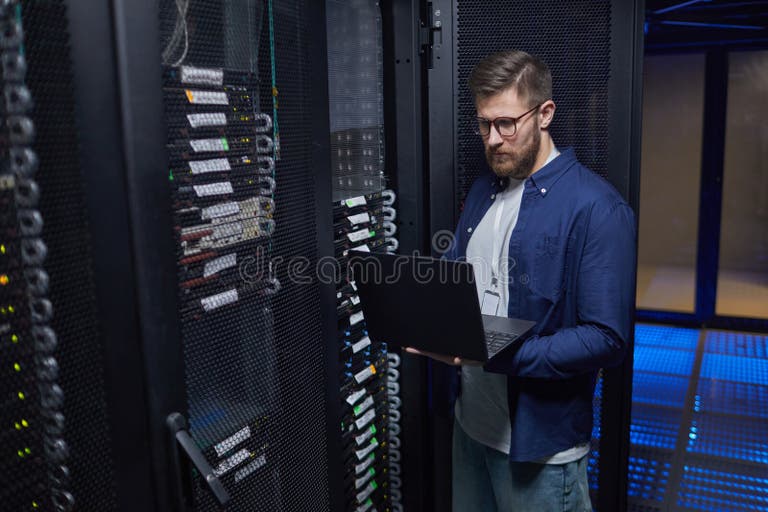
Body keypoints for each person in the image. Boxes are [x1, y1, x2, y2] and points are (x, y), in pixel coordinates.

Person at [405, 50, 636, 511]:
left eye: (506, 123)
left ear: (545, 112)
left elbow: (607, 338)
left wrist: (494, 350)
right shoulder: (483, 190)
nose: (493, 139)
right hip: (470, 430)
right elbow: (459, 283)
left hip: (539, 452)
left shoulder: (597, 209)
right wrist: (418, 312)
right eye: (484, 124)